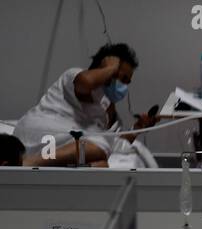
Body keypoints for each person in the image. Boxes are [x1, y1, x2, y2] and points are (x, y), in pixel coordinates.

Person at [14, 42, 145, 167]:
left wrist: (137, 128)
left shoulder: (105, 106)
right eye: (121, 78)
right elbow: (85, 83)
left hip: (58, 149)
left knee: (101, 165)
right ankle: (32, 162)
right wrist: (111, 68)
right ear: (105, 68)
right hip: (40, 135)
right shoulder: (75, 75)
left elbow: (115, 143)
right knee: (99, 146)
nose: (124, 86)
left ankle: (44, 168)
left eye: (127, 82)